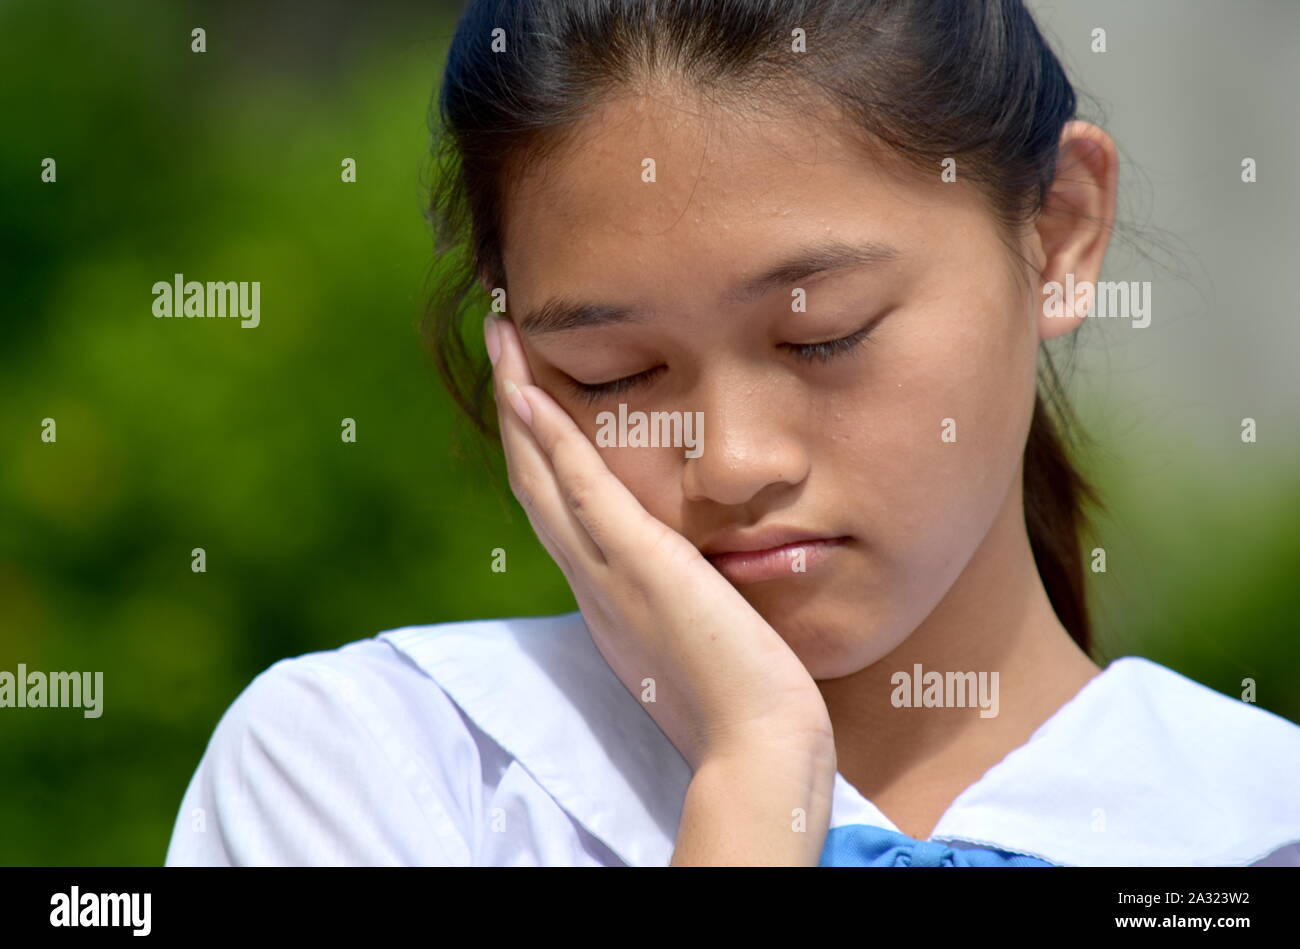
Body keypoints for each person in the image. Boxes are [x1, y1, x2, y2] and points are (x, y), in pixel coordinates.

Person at [165, 0, 1300, 866]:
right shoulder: (392, 767)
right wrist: (756, 779)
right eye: (614, 373)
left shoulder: (1250, 821)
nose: (732, 461)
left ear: (1056, 232)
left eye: (822, 337)